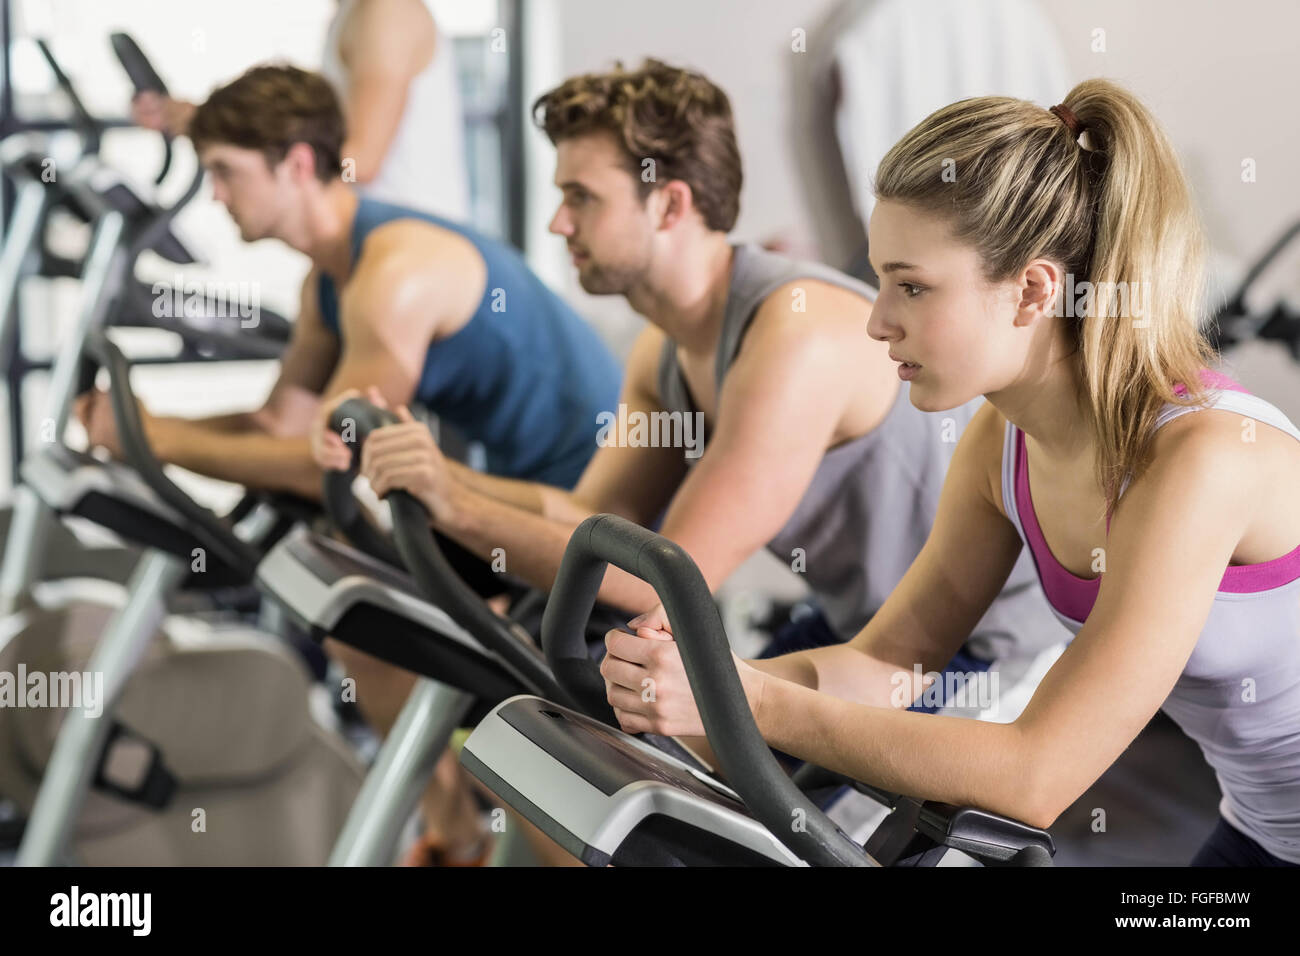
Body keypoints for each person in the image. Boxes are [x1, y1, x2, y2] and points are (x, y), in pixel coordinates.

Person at [321, 60, 1066, 862]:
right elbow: (590, 521)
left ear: (669, 203)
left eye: (581, 197)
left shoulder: (797, 337)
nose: (559, 224)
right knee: (601, 761)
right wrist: (429, 471)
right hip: (865, 632)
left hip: (977, 656)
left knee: (753, 833)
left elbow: (649, 581)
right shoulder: (668, 349)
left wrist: (458, 505)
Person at [599, 81, 1300, 867]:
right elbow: (885, 666)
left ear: (1032, 290)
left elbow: (1037, 774)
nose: (877, 321)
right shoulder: (1002, 440)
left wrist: (746, 701)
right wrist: (703, 679)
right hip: (1263, 826)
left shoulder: (1199, 461)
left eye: (911, 286)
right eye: (879, 282)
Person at [80, 64, 622, 866]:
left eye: (226, 172)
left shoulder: (390, 274)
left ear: (297, 164)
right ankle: (458, 840)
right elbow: (281, 426)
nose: (214, 196)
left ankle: (505, 837)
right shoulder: (329, 282)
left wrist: (153, 440)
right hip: (499, 488)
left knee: (464, 676)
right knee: (359, 618)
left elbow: (326, 464)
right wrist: (144, 425)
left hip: (582, 510)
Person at [132, 0, 468, 219]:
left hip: (412, 255)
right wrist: (209, 121)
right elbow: (317, 135)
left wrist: (217, 125)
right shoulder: (349, 14)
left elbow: (359, 162)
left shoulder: (387, 11)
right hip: (364, 242)